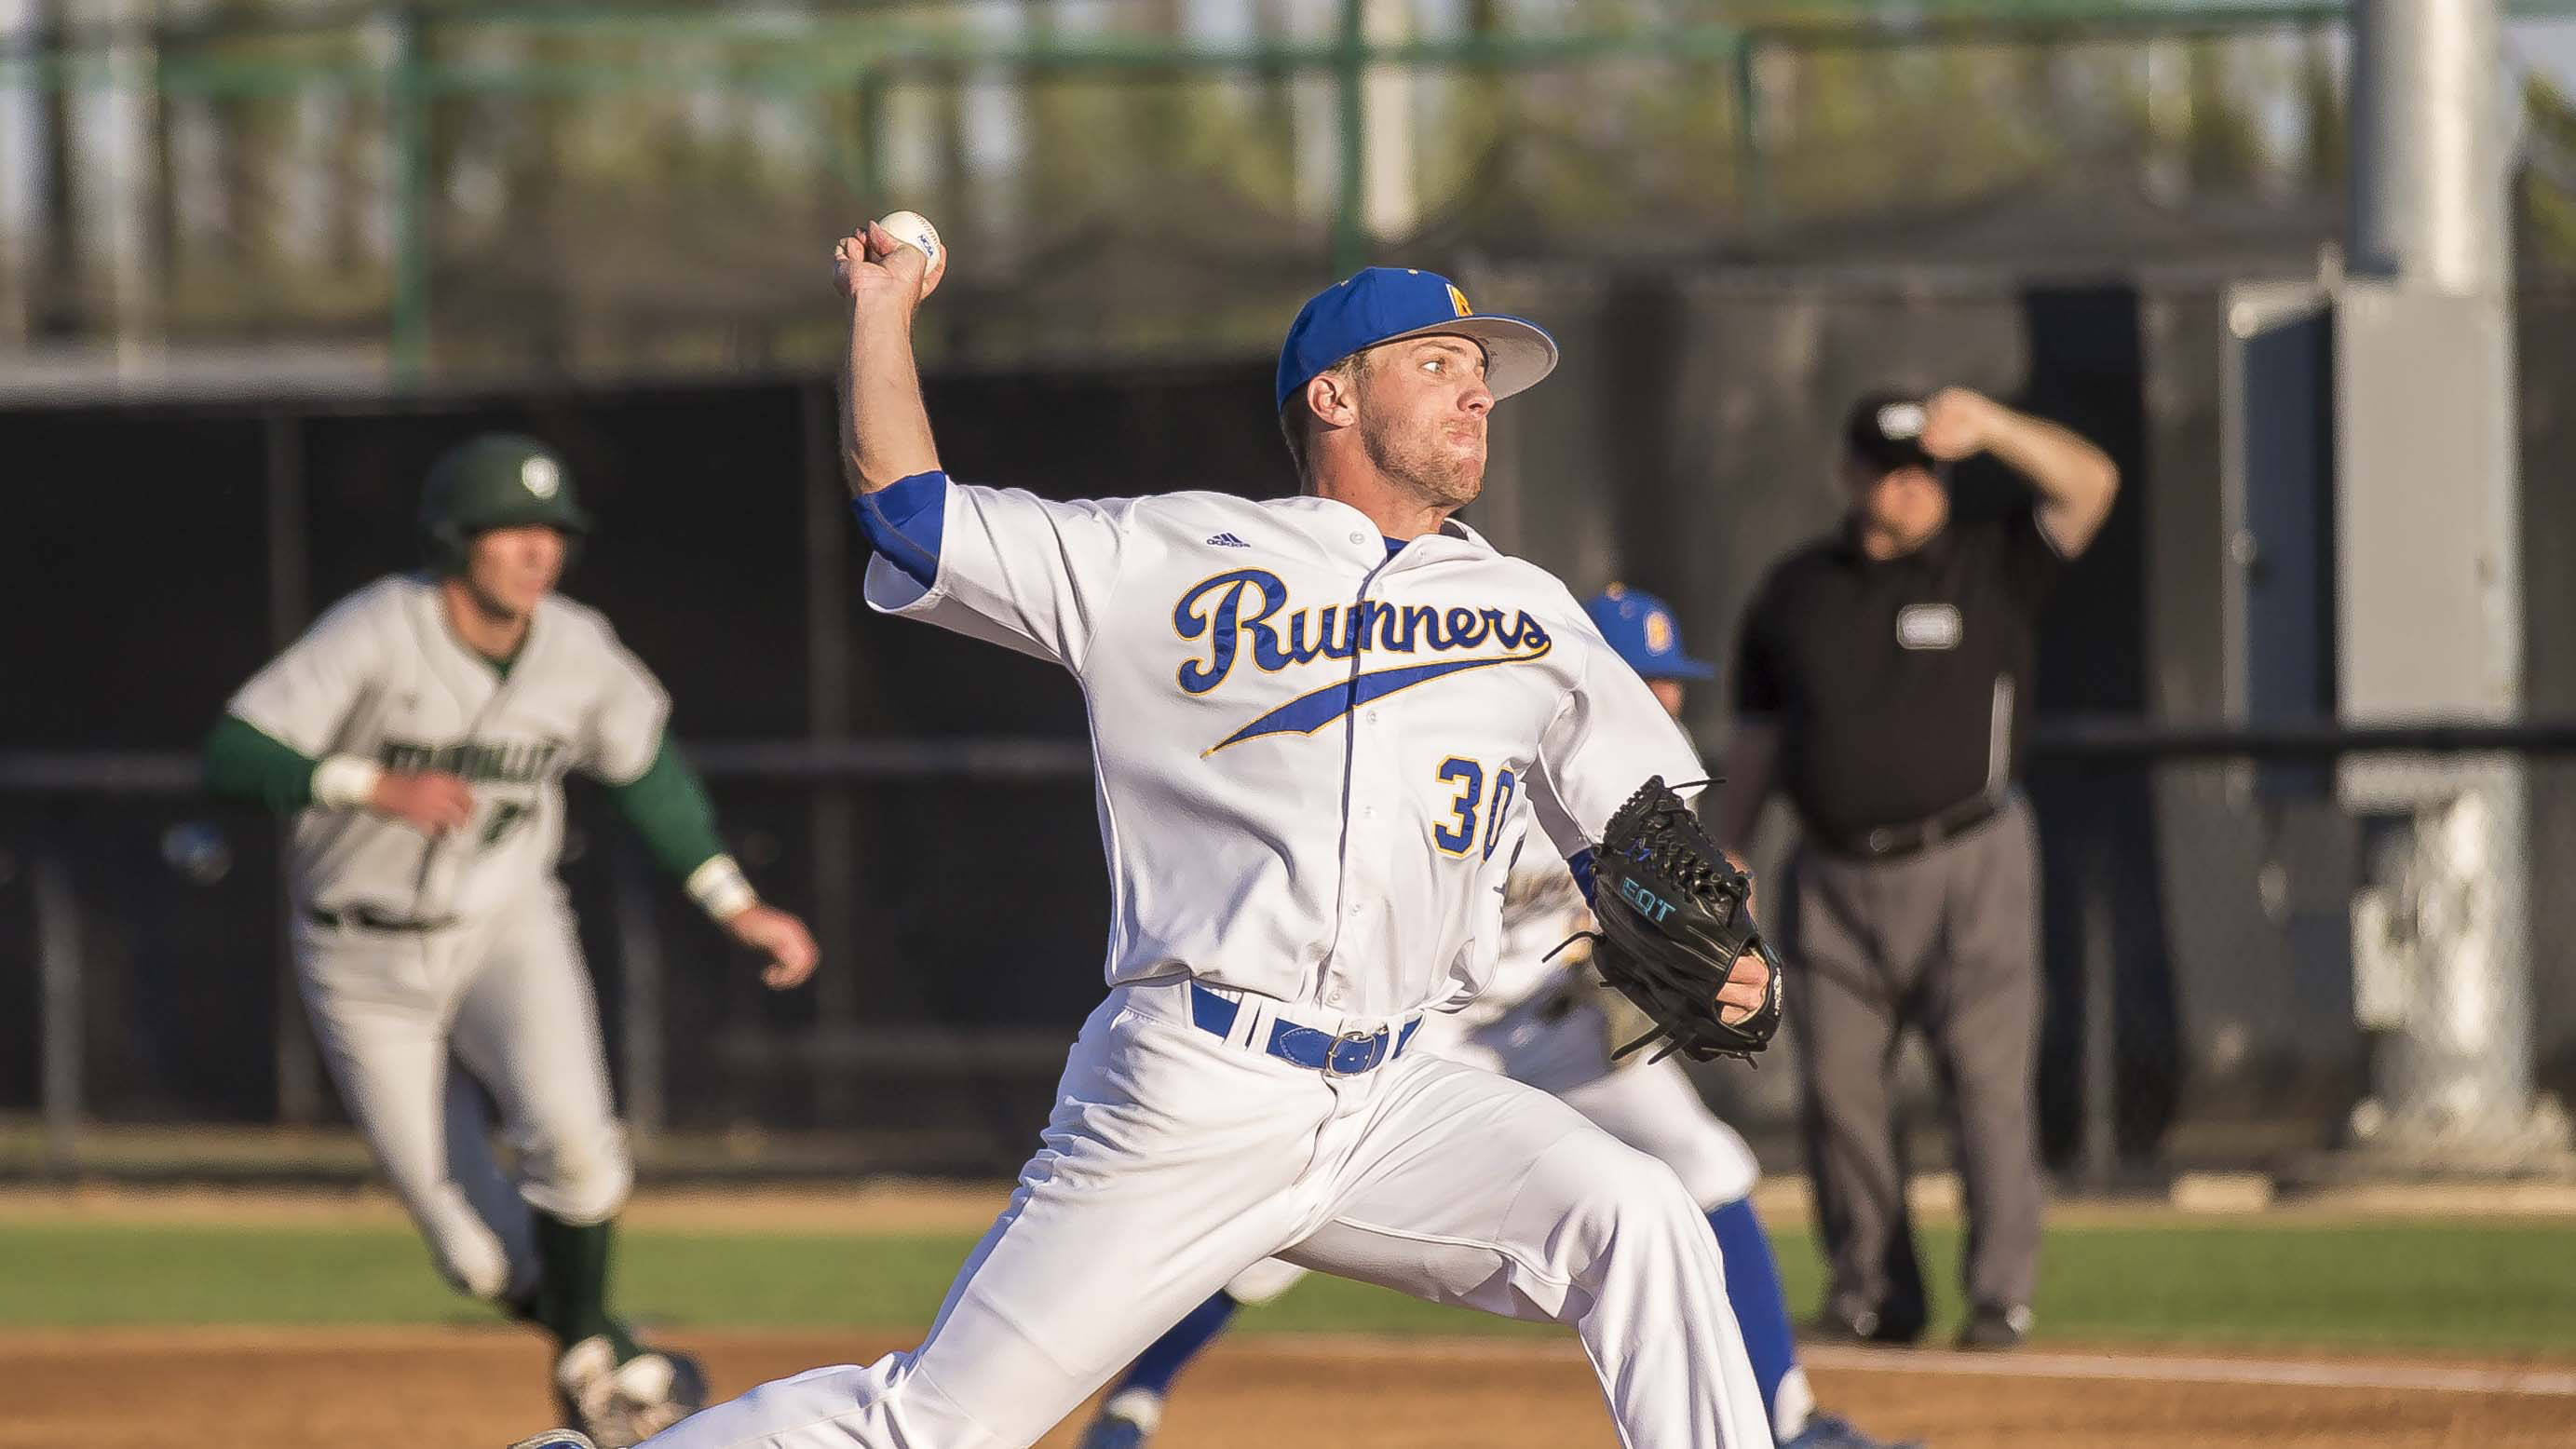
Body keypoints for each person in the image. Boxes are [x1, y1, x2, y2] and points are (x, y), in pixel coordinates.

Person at [554, 242, 1784, 1449]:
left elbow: (1636, 830)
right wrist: (881, 309)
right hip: (1198, 1081)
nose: (1477, 389)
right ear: (1334, 393)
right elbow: (912, 519)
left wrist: (1714, 941)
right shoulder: (1165, 554)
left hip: (1392, 1092)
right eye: (1439, 360)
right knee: (935, 1427)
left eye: (1484, 372)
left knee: (1641, 1219)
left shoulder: (1528, 611)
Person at [1072, 585, 1918, 1449]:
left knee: (1709, 1164)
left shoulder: (1660, 786)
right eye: (1647, 677)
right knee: (1276, 1223)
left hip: (1561, 1030)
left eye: (1674, 682)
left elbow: (1655, 928)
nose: (1665, 698)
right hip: (1437, 1028)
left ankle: (1789, 1420)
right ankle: (1136, 1400)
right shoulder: (1487, 763)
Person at [202, 434, 821, 1446]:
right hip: (359, 957)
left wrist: (736, 902)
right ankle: (607, 1353)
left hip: (504, 919)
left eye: (553, 532)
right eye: (511, 530)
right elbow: (232, 752)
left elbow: (650, 775)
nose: (538, 551)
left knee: (579, 1147)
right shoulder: (378, 629)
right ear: (457, 539)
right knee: (477, 1258)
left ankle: (603, 1375)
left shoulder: (578, 648)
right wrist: (367, 782)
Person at [1715, 389, 2118, 1351]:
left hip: (1969, 860)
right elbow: (1758, 736)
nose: (1911, 487)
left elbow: (2092, 482)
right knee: (1844, 1097)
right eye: (1892, 470)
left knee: (1986, 1089)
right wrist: (1729, 846)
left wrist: (1998, 429)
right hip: (1834, 874)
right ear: (1852, 476)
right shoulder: (1797, 590)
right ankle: (1871, 1290)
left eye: (1925, 470)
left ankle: (1998, 1297)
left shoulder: (1991, 561)